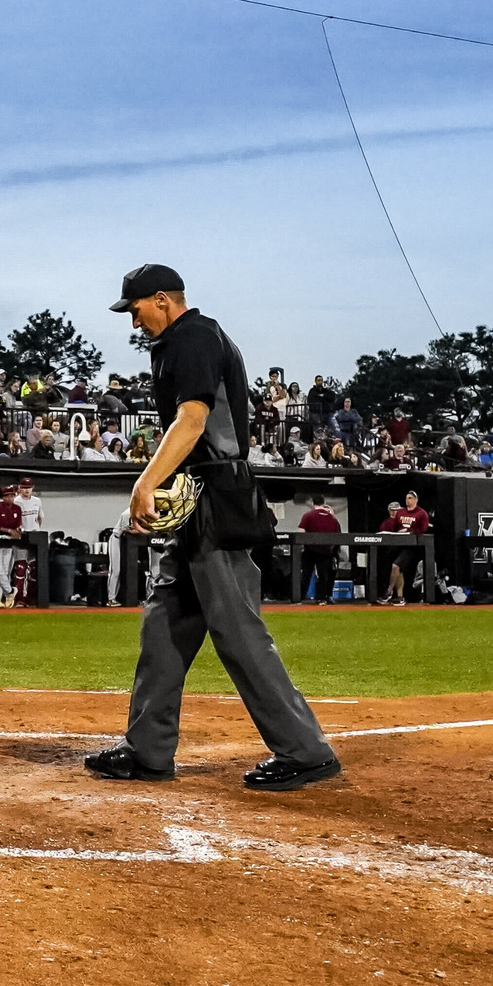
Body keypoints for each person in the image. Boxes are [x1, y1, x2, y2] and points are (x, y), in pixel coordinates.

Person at [85, 263, 339, 791]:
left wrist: (145, 482)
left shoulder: (193, 335)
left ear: (162, 300)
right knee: (165, 623)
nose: (134, 324)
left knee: (237, 628)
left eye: (135, 311)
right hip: (201, 493)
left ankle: (305, 750)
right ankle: (148, 749)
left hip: (218, 494)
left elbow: (194, 419)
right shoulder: (185, 338)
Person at [378, 489, 431, 605]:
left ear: (416, 500)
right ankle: (400, 597)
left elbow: (423, 529)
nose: (408, 500)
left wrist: (409, 530)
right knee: (399, 570)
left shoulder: (422, 513)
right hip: (401, 544)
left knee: (396, 566)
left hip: (414, 546)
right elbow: (396, 527)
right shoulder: (401, 513)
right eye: (407, 498)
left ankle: (389, 591)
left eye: (410, 498)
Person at [298, 494, 341, 602]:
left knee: (306, 574)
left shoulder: (308, 515)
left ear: (313, 503)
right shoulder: (332, 518)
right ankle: (321, 598)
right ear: (324, 502)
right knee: (323, 576)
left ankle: (299, 597)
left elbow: (301, 533)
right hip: (326, 551)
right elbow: (337, 535)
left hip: (310, 550)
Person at [0, 486, 24, 608]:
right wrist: (8, 530)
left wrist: (18, 530)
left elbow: (18, 524)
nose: (10, 498)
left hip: (8, 543)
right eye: (7, 496)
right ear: (3, 497)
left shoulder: (17, 508)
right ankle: (10, 591)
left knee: (6, 571)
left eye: (12, 496)